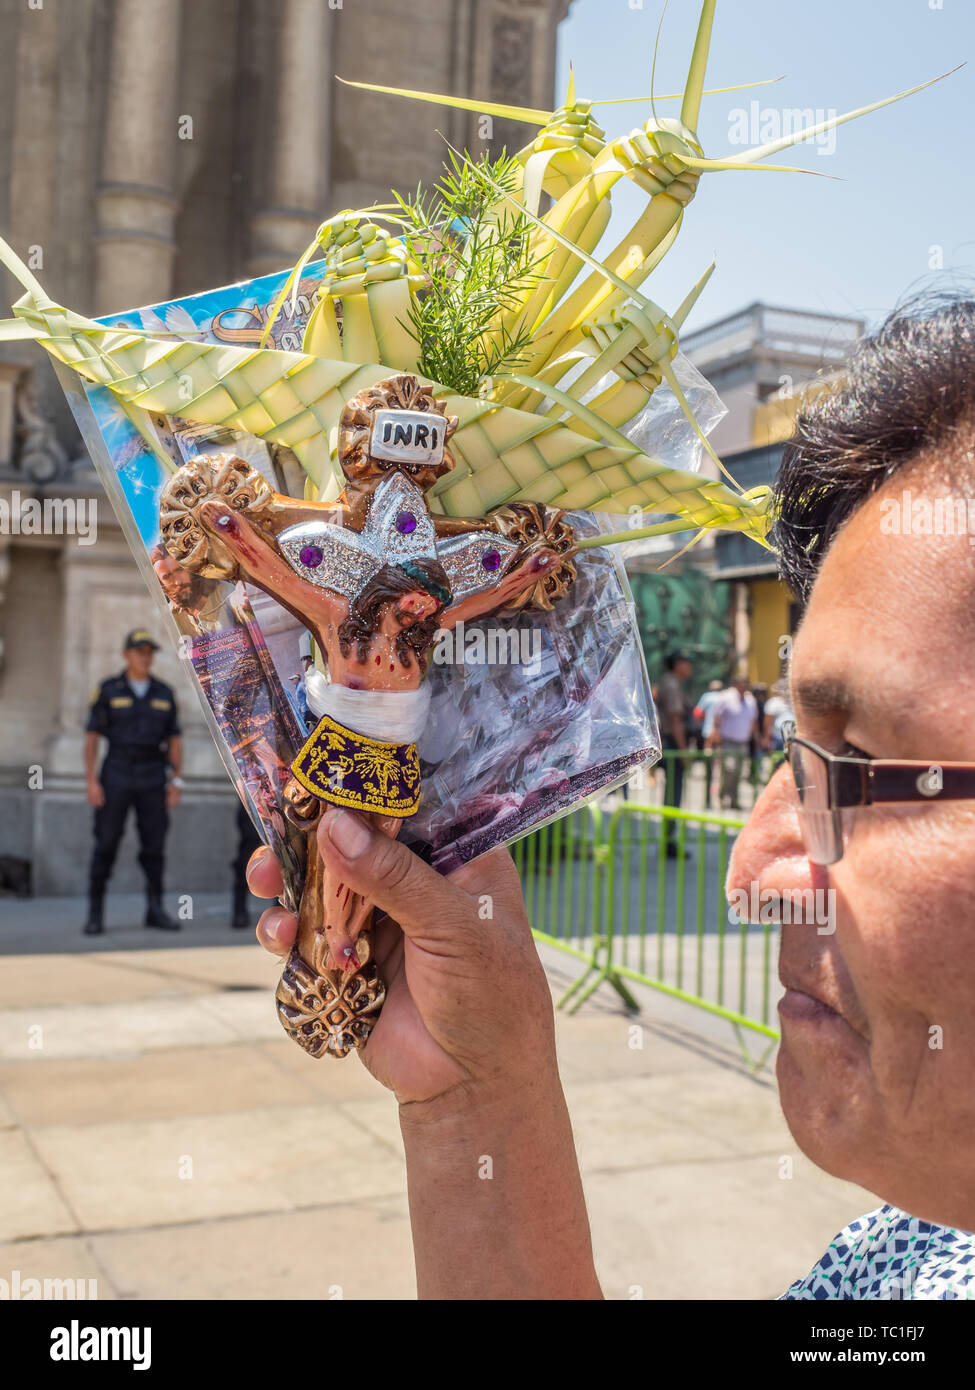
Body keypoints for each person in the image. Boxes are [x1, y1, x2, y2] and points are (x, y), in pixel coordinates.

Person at [246, 293, 975, 1298]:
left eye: (859, 769)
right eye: (793, 751)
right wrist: (474, 1088)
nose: (752, 870)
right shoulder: (897, 1263)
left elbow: (487, 584)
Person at [83, 630, 182, 934]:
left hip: (153, 774)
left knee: (154, 846)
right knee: (106, 842)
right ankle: (95, 914)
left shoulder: (163, 693)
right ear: (126, 654)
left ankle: (155, 909)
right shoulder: (109, 690)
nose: (145, 657)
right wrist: (91, 781)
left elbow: (175, 740)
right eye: (139, 651)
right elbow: (92, 738)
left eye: (149, 652)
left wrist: (176, 781)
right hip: (117, 772)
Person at [655, 650, 694, 856]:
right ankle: (668, 842)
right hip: (672, 743)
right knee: (673, 796)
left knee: (673, 795)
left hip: (671, 743)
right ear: (678, 664)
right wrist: (684, 751)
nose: (691, 667)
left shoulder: (670, 682)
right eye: (687, 662)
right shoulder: (671, 684)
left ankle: (669, 839)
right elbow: (675, 720)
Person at [711, 673, 759, 811]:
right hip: (728, 741)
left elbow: (753, 721)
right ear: (736, 684)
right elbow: (717, 718)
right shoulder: (726, 697)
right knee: (729, 769)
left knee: (738, 772)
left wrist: (756, 739)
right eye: (742, 683)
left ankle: (733, 799)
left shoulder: (750, 700)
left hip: (743, 741)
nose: (745, 686)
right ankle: (722, 796)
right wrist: (716, 735)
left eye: (746, 683)